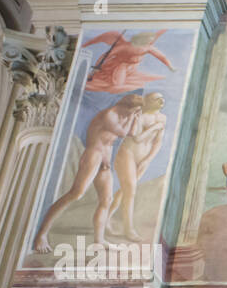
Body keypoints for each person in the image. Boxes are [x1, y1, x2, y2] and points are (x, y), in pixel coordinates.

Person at [31, 93, 144, 252]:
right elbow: (123, 132)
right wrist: (133, 117)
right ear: (126, 106)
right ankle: (41, 235)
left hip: (106, 160)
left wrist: (135, 118)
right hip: (94, 155)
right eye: (133, 111)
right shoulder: (110, 114)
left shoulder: (126, 115)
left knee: (106, 200)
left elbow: (133, 133)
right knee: (76, 193)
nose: (132, 114)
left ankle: (99, 240)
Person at [108, 91, 167, 243]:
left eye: (162, 98)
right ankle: (129, 229)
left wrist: (148, 159)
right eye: (157, 98)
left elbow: (157, 142)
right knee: (130, 192)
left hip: (143, 159)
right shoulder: (140, 116)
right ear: (148, 101)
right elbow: (137, 138)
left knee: (124, 192)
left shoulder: (162, 118)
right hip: (127, 154)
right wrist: (154, 128)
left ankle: (105, 217)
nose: (161, 101)